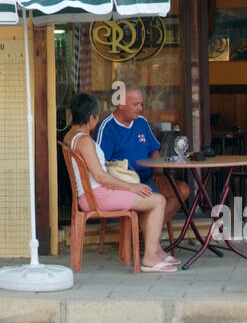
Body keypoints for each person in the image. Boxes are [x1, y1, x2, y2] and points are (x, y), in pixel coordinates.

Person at [66, 92, 179, 271]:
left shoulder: (71, 136)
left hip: (89, 194)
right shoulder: (85, 141)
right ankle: (150, 257)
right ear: (91, 117)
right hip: (97, 196)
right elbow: (100, 177)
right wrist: (131, 186)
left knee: (149, 195)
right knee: (158, 200)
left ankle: (155, 249)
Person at [94, 83, 191, 220]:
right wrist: (126, 184)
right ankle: (142, 232)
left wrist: (158, 173)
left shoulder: (141, 122)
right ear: (120, 104)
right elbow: (101, 164)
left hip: (148, 180)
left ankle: (142, 229)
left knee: (182, 190)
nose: (140, 109)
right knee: (155, 200)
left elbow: (154, 151)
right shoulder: (107, 127)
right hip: (125, 185)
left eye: (141, 104)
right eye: (136, 104)